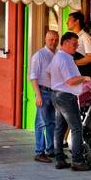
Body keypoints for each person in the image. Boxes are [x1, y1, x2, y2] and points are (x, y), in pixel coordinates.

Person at [49, 32, 90, 170]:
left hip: (57, 94)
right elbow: (71, 81)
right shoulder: (65, 58)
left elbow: (49, 72)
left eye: (77, 44)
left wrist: (57, 82)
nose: (76, 47)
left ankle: (60, 159)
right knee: (76, 128)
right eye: (74, 44)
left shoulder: (58, 56)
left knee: (60, 128)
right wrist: (84, 78)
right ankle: (77, 161)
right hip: (66, 96)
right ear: (65, 43)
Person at [28, 29, 59, 164]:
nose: (53, 42)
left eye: (56, 39)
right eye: (51, 39)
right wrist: (38, 95)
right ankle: (39, 152)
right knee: (41, 123)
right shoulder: (39, 55)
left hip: (55, 92)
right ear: (45, 40)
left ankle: (50, 149)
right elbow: (33, 77)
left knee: (52, 122)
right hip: (43, 92)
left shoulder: (58, 55)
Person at [66, 11, 91, 78]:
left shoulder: (85, 37)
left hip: (82, 75)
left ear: (77, 21)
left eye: (69, 20)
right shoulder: (70, 38)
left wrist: (73, 63)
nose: (67, 22)